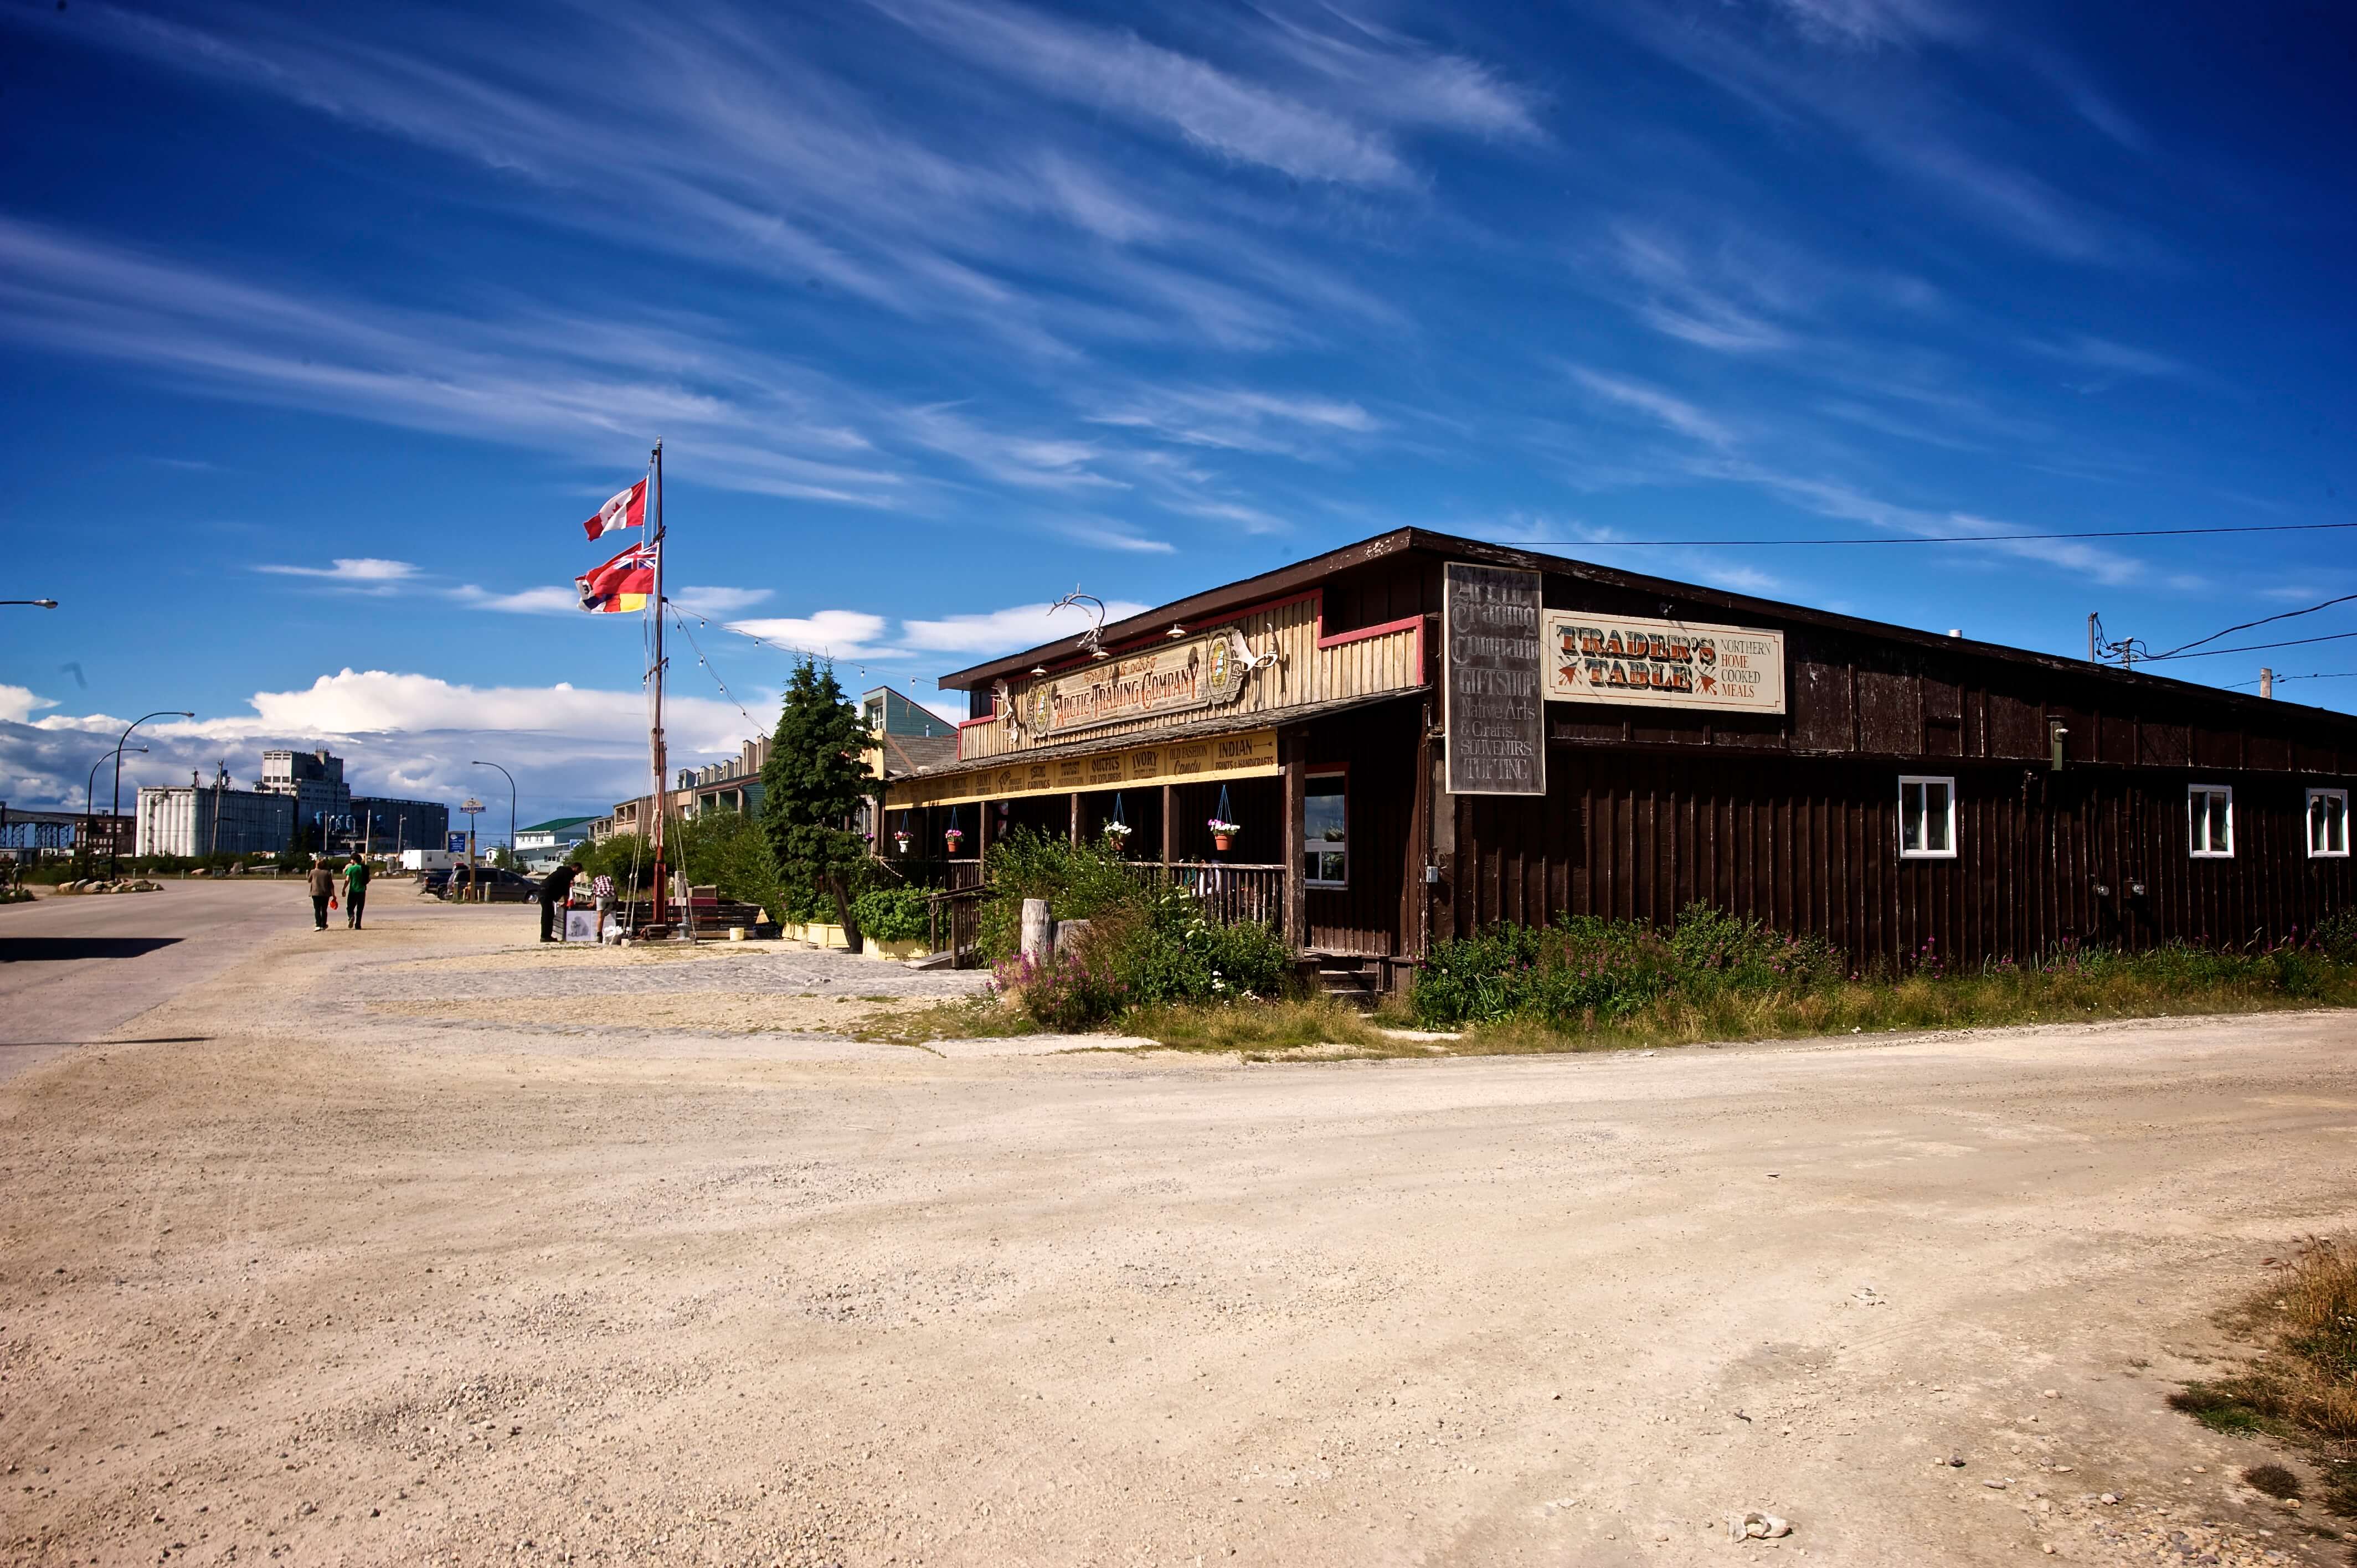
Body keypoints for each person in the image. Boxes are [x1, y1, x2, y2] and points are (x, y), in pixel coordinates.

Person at [536, 860, 578, 942]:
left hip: (544, 891)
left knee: (549, 914)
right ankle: (545, 937)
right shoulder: (568, 873)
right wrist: (566, 902)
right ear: (575, 868)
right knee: (547, 915)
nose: (577, 874)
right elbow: (566, 888)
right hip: (546, 892)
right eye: (578, 872)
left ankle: (546, 936)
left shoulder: (563, 871)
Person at [342, 853, 371, 930]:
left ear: (354, 861)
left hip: (353, 891)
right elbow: (369, 879)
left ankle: (351, 916)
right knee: (360, 909)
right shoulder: (365, 868)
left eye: (351, 860)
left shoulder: (351, 869)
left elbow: (347, 880)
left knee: (350, 907)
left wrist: (344, 889)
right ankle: (358, 925)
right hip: (362, 891)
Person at [306, 855, 334, 930]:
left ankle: (318, 925)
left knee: (317, 910)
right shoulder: (328, 873)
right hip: (325, 894)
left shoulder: (313, 872)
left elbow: (309, 880)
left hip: (315, 893)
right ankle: (323, 925)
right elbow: (331, 885)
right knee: (324, 910)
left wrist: (315, 869)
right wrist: (334, 895)